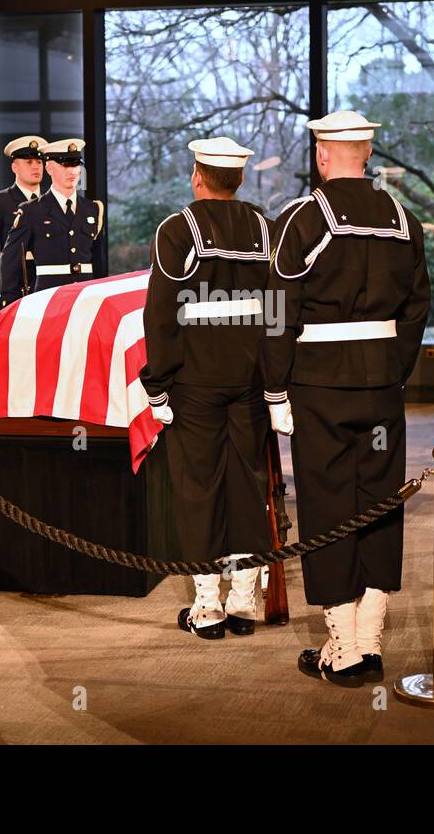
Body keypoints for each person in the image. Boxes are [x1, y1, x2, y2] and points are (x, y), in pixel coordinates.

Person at [263, 110, 430, 687]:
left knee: (329, 504)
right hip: (381, 384)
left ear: (323, 155)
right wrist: (393, 368)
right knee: (380, 502)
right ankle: (369, 639)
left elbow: (277, 312)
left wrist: (275, 388)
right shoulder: (404, 220)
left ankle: (344, 650)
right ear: (366, 155)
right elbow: (416, 307)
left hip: (319, 386)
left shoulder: (301, 220)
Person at [141, 136, 271, 640]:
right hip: (251, 380)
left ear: (198, 176)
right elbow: (276, 307)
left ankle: (209, 608)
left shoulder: (178, 229)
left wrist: (158, 385)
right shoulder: (264, 226)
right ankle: (244, 604)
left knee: (198, 490)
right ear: (237, 180)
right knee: (246, 485)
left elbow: (163, 314)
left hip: (194, 381)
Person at [0, 138, 104, 301]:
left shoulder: (93, 209)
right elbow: (10, 262)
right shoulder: (31, 210)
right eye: (65, 165)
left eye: (76, 164)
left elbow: (99, 263)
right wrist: (11, 305)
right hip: (47, 298)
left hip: (86, 298)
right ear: (49, 168)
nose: (72, 171)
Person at [0, 135, 47, 322]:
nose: (36, 166)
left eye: (40, 161)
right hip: (13, 293)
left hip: (48, 293)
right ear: (15, 167)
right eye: (29, 161)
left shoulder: (51, 203)